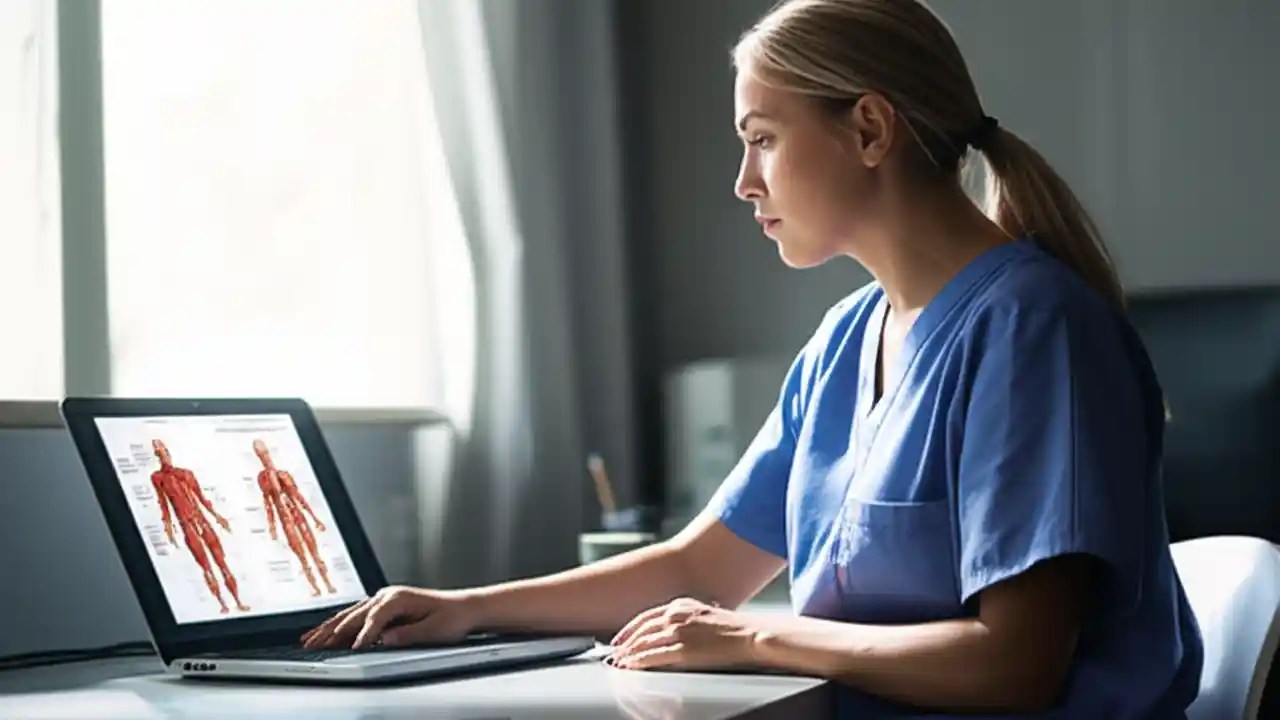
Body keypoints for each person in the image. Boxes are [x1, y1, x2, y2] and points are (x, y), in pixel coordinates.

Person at [303, 0, 1203, 715]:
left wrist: (756, 640)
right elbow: (700, 570)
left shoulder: (1034, 330)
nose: (744, 182)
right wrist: (467, 609)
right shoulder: (845, 340)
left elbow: (1013, 667)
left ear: (870, 130)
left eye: (762, 138)